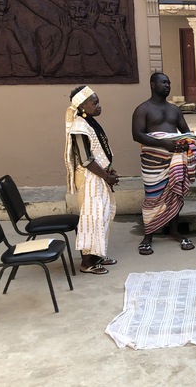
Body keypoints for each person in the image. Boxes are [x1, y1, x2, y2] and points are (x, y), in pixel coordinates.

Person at [131, 72, 196, 255]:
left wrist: (186, 143)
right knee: (152, 197)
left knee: (175, 193)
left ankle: (174, 231)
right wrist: (163, 144)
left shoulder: (174, 110)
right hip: (153, 163)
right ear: (152, 85)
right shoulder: (143, 109)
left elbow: (186, 132)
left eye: (169, 83)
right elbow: (137, 135)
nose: (167, 86)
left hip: (174, 160)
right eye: (163, 82)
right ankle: (148, 236)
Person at [64, 85, 118, 274]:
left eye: (98, 102)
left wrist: (109, 171)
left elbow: (99, 151)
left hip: (99, 176)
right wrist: (107, 177)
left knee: (103, 216)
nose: (98, 106)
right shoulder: (79, 127)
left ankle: (97, 255)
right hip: (90, 180)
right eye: (94, 103)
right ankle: (87, 263)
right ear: (82, 106)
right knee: (92, 218)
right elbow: (86, 160)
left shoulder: (89, 122)